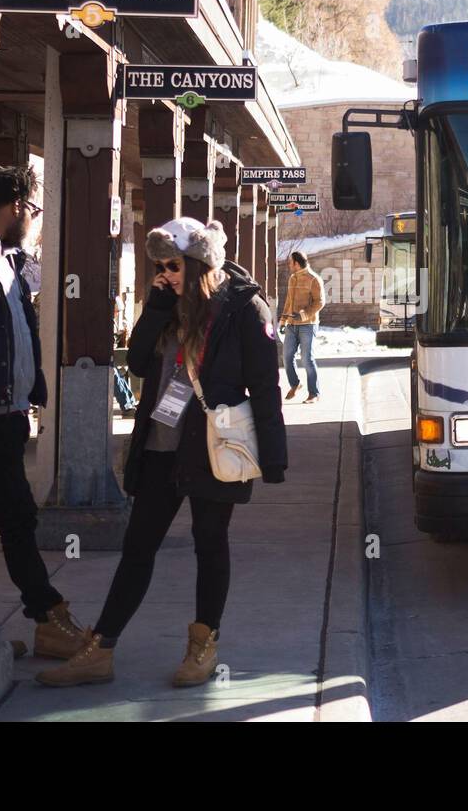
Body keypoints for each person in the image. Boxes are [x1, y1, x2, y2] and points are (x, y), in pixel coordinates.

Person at [36, 217, 287, 688]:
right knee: (138, 548)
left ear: (197, 262)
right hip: (160, 448)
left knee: (210, 545)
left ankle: (203, 645)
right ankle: (101, 648)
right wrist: (156, 304)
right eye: (159, 266)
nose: (165, 273)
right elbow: (136, 359)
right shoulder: (167, 304)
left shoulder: (245, 308)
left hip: (212, 449)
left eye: (172, 265)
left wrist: (273, 456)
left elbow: (265, 388)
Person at [0, 165, 86, 659]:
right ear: (17, 205)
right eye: (36, 211)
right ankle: (46, 612)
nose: (37, 221)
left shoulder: (8, 261)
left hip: (10, 412)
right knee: (16, 517)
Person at [280, 250, 325, 404]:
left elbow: (320, 302)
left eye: (290, 262)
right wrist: (283, 320)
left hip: (308, 325)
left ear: (296, 263)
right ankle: (295, 384)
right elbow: (289, 301)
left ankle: (314, 393)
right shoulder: (293, 279)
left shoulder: (314, 279)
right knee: (286, 357)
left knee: (307, 359)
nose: (289, 265)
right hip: (292, 325)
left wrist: (304, 315)